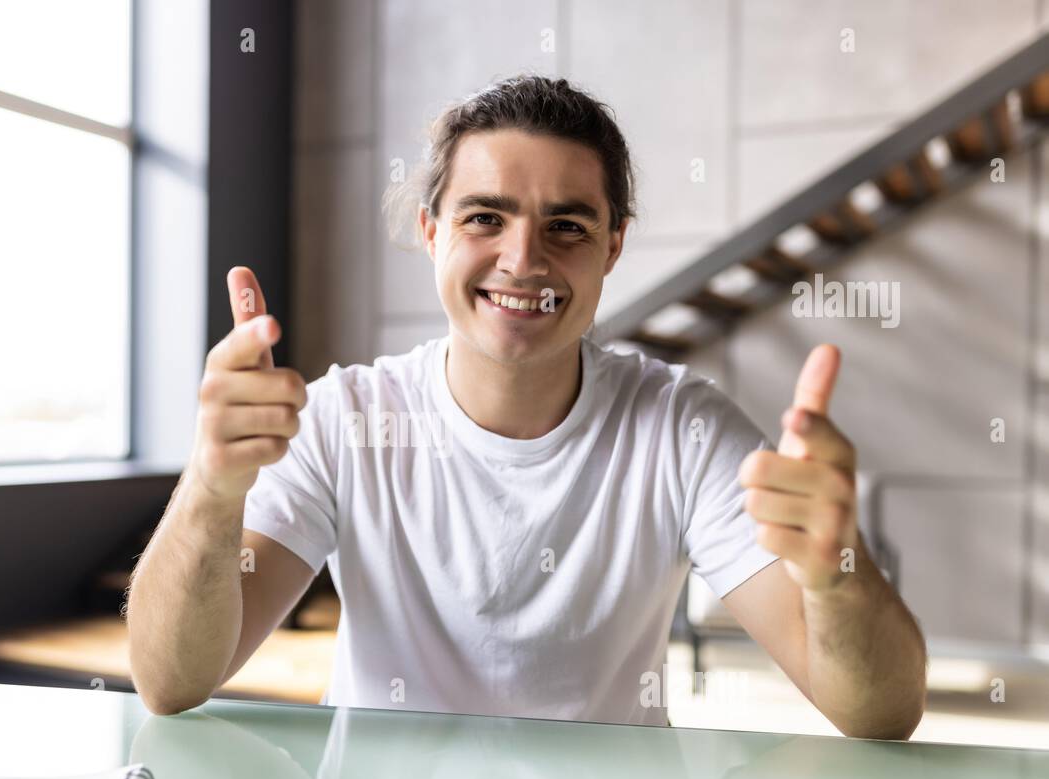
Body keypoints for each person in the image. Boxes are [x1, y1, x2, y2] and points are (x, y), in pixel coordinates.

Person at [126, 74, 926, 738]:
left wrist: (837, 573)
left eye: (567, 226)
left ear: (613, 245)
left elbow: (879, 714)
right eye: (485, 217)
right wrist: (210, 488)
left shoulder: (681, 427)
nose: (523, 259)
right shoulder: (346, 420)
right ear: (432, 230)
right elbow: (170, 681)